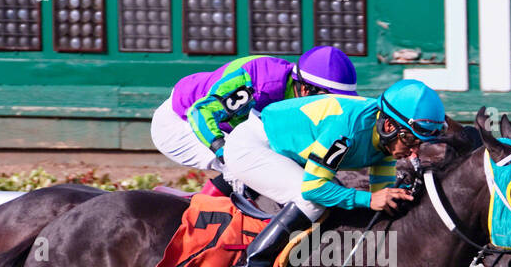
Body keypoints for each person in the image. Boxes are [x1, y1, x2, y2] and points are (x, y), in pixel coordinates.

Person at [221, 79, 447, 267]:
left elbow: (382, 190)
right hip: (252, 147)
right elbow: (314, 188)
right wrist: (369, 199)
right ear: (389, 126)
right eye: (410, 140)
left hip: (281, 148)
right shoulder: (347, 130)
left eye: (420, 144)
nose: (413, 152)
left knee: (339, 196)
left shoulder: (386, 135)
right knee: (312, 202)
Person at [150, 47, 359, 173]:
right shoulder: (257, 87)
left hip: (221, 123)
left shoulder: (297, 90)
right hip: (182, 123)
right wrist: (225, 153)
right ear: (305, 89)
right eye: (330, 99)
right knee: (248, 167)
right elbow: (200, 113)